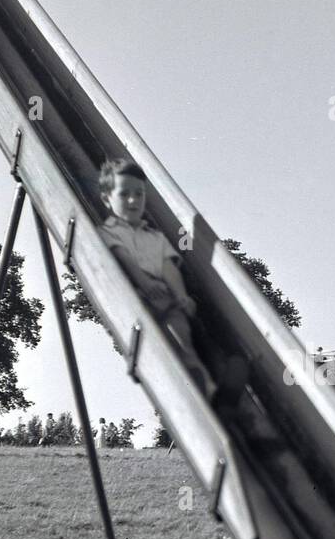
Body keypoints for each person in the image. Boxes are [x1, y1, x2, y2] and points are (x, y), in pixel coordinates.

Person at [97, 159, 245, 406]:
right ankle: (202, 388)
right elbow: (123, 258)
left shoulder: (155, 237)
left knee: (185, 337)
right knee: (171, 343)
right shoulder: (108, 232)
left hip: (165, 298)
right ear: (106, 199)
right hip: (136, 298)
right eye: (124, 194)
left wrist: (181, 295)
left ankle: (210, 388)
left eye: (139, 194)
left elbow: (168, 268)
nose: (133, 201)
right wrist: (143, 282)